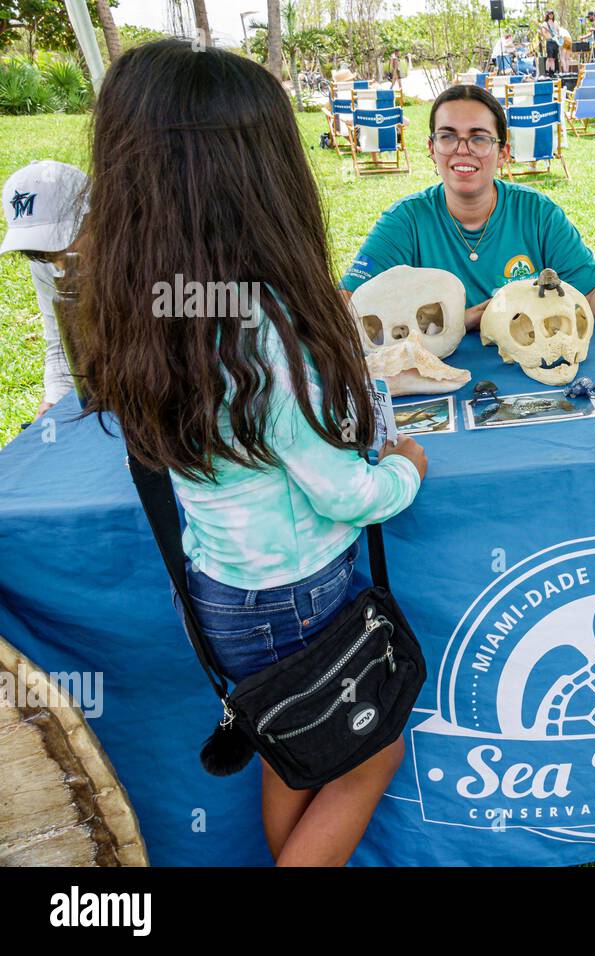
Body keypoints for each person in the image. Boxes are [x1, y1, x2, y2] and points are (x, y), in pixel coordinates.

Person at [76, 41, 427, 867]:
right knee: (372, 753)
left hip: (224, 586)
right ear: (254, 179)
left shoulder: (146, 297)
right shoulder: (265, 322)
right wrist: (405, 467)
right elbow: (342, 491)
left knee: (296, 746)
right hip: (299, 593)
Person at [342, 84, 595, 340]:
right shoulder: (405, 221)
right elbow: (346, 305)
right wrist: (461, 320)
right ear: (432, 149)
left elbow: (593, 290)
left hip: (531, 368)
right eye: (447, 136)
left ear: (503, 153)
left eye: (479, 138)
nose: (462, 149)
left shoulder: (537, 214)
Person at [1, 160, 87, 419]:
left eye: (63, 242)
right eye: (44, 252)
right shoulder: (46, 263)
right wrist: (53, 400)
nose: (58, 262)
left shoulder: (149, 253)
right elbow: (60, 339)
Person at [540, 10, 561, 76]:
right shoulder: (545, 24)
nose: (551, 15)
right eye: (549, 14)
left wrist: (558, 36)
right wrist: (548, 37)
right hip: (549, 42)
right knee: (549, 58)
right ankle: (547, 72)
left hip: (556, 42)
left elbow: (558, 31)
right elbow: (543, 33)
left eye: (552, 14)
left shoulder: (555, 22)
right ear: (547, 15)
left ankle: (552, 72)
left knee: (554, 58)